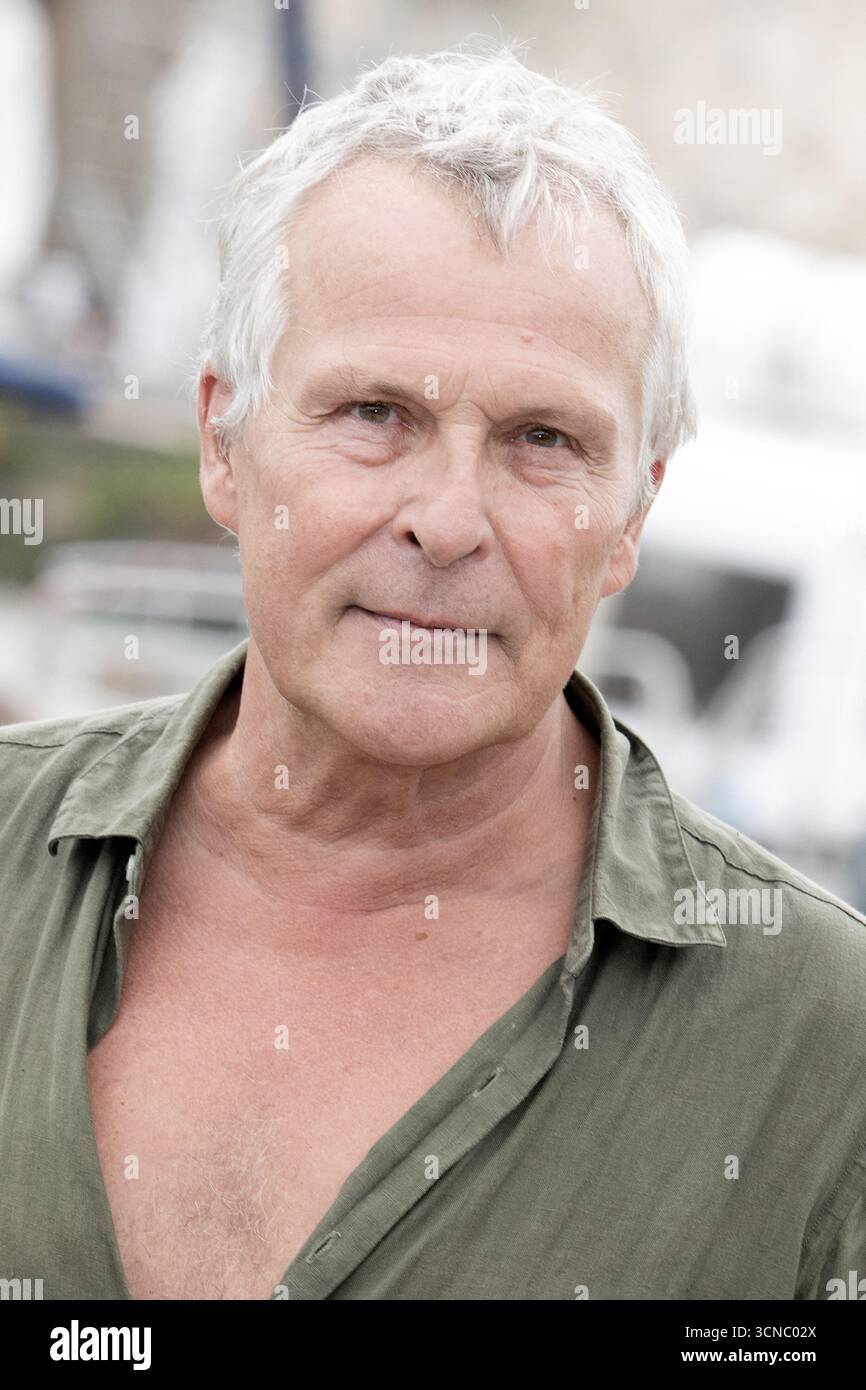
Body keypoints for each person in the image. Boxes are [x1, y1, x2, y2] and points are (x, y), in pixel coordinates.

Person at [1, 40, 864, 1302]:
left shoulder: (820, 1052)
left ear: (630, 514)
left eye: (542, 439)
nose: (447, 520)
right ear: (225, 444)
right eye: (374, 415)